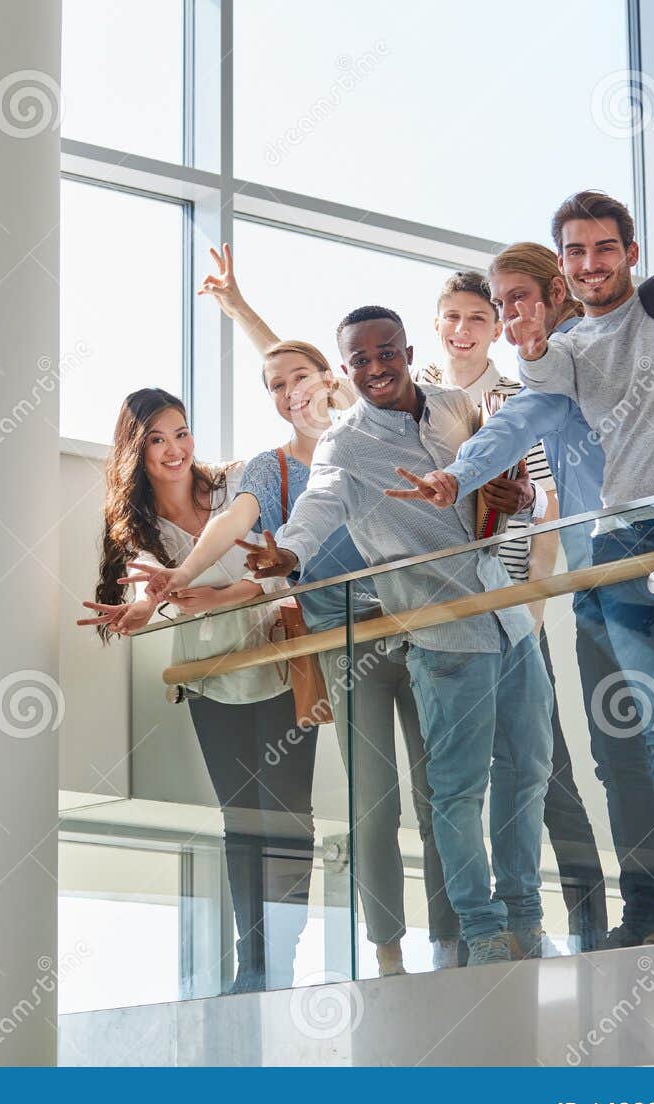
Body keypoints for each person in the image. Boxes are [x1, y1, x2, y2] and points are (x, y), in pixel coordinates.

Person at [405, 193, 654, 943]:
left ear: (629, 251)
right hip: (619, 548)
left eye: (604, 248)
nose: (591, 264)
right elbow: (521, 418)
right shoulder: (566, 354)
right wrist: (455, 477)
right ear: (563, 266)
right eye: (577, 252)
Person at [129, 244, 465, 974]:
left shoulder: (373, 431)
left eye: (303, 380)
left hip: (423, 621)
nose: (291, 393)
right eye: (275, 388)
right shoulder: (273, 469)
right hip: (342, 638)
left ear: (333, 377)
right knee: (372, 801)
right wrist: (188, 580)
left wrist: (240, 309)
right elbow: (239, 530)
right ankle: (380, 953)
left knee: (441, 790)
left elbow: (306, 370)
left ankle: (454, 938)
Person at [243, 305, 553, 966]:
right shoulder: (345, 444)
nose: (377, 368)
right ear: (345, 370)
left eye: (387, 352)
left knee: (529, 770)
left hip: (508, 617)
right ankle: (483, 931)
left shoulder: (456, 408)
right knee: (456, 792)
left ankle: (525, 916)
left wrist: (523, 499)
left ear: (409, 352)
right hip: (444, 637)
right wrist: (289, 553)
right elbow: (318, 505)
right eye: (361, 360)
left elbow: (513, 495)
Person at [78, 388, 315, 992]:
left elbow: (285, 568)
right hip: (210, 682)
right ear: (136, 452)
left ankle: (281, 959)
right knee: (244, 823)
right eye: (157, 440)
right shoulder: (138, 526)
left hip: (278, 665)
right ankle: (252, 966)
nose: (174, 449)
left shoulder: (237, 485)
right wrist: (142, 610)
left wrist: (218, 596)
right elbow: (148, 588)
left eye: (181, 433)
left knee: (289, 820)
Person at [421, 269, 609, 953]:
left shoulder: (517, 397)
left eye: (478, 317)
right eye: (452, 316)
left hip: (513, 613)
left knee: (541, 770)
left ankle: (585, 926)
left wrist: (530, 606)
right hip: (446, 617)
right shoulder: (420, 403)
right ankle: (463, 934)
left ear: (496, 328)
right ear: (436, 324)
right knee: (452, 779)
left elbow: (547, 507)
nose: (463, 329)